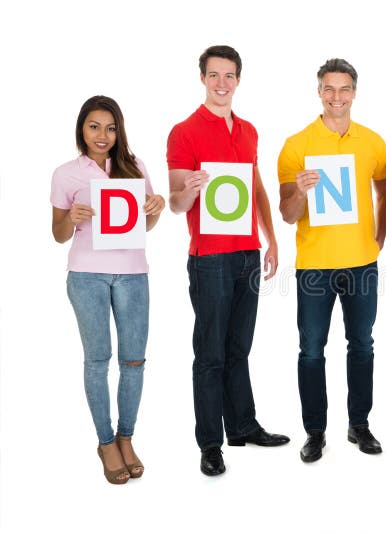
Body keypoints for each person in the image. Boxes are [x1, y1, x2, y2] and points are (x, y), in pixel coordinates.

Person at [167, 45, 289, 477]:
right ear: (202, 77)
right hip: (210, 258)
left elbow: (256, 188)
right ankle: (210, 443)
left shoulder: (250, 131)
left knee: (240, 348)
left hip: (247, 254)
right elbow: (177, 204)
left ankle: (242, 426)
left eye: (229, 76)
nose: (222, 83)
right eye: (214, 75)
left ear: (238, 80)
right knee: (210, 354)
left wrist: (271, 238)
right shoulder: (184, 132)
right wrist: (191, 190)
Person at [278, 58, 386, 463]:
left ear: (355, 92)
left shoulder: (373, 143)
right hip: (313, 266)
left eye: (344, 89)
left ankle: (358, 424)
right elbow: (287, 214)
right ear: (319, 91)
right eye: (329, 89)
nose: (337, 97)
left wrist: (378, 240)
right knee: (311, 349)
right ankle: (315, 431)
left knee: (362, 345)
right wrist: (301, 193)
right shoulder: (296, 145)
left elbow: (385, 193)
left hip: (362, 263)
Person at [51, 95, 166, 484]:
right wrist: (70, 217)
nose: (102, 135)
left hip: (133, 273)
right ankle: (105, 442)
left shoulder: (133, 167)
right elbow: (58, 234)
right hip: (86, 275)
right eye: (94, 126)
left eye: (111, 127)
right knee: (97, 361)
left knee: (134, 361)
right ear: (81, 129)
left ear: (120, 131)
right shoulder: (66, 174)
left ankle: (126, 437)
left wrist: (156, 208)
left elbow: (143, 227)